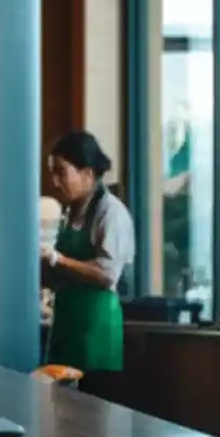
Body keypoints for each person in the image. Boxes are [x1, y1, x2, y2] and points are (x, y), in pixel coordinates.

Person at [41, 131, 136, 399]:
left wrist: (57, 259)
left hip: (95, 332)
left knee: (93, 419)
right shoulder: (69, 213)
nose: (55, 181)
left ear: (88, 173)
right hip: (66, 328)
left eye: (61, 172)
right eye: (53, 173)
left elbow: (106, 274)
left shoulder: (111, 212)